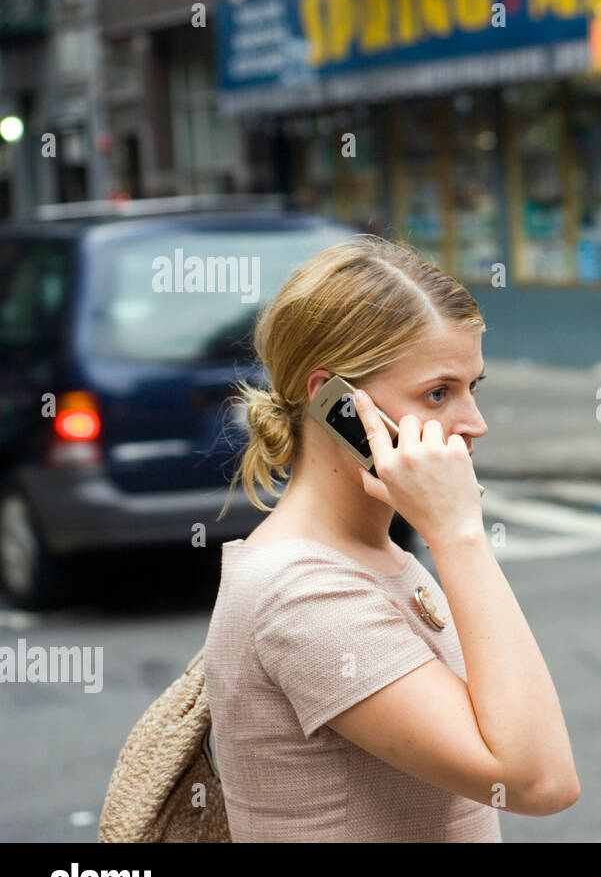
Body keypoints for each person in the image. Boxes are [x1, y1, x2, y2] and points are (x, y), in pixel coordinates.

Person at [206, 236, 579, 841]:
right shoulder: (304, 595)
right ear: (333, 401)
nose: (475, 424)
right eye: (438, 393)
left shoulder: (369, 555)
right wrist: (458, 533)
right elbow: (539, 780)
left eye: (472, 387)